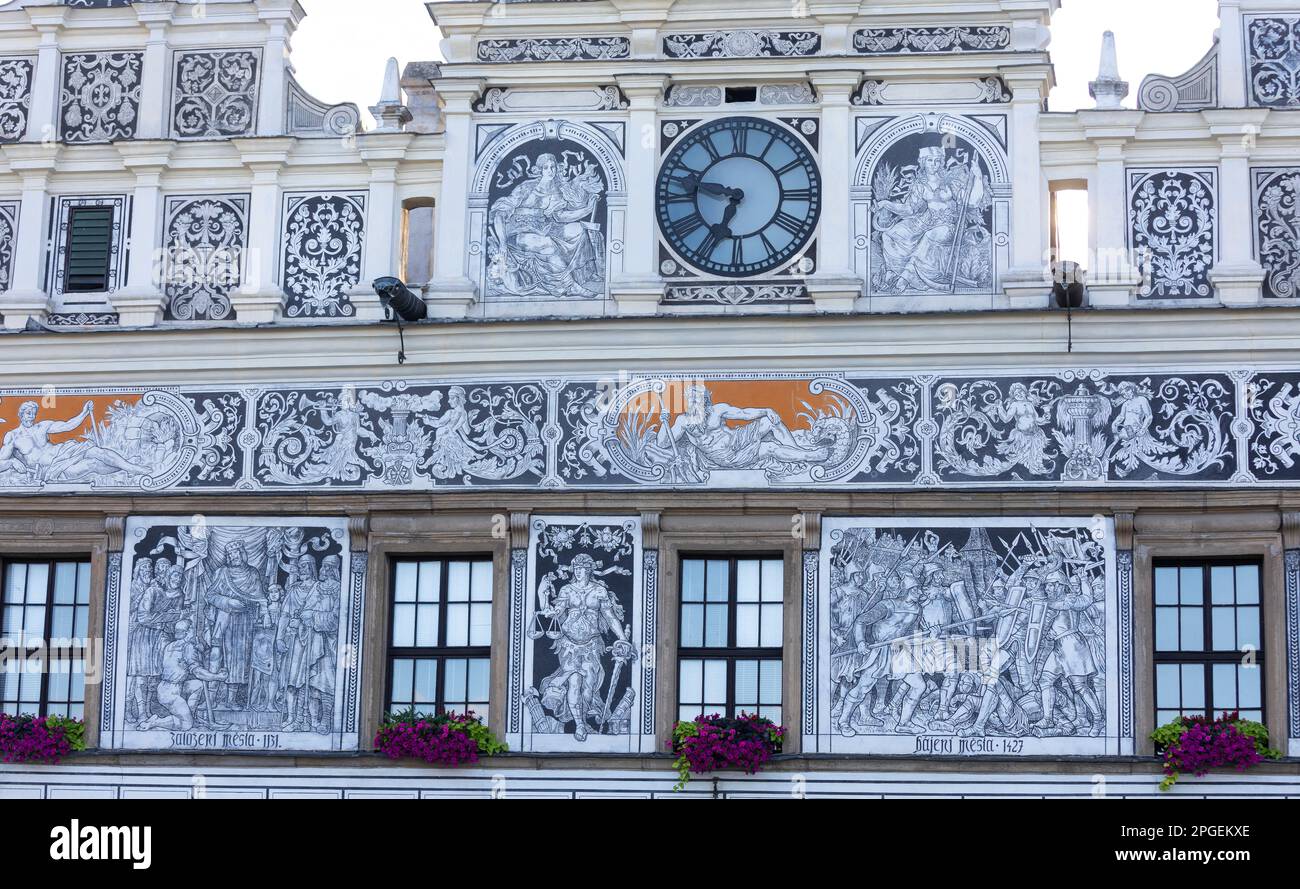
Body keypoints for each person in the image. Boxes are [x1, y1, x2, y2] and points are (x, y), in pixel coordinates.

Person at [535, 554, 633, 741]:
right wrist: (542, 596)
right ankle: (579, 724)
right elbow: (555, 613)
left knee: (589, 685)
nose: (579, 572)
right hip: (569, 644)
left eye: (582, 569)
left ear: (589, 570)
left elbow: (610, 617)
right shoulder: (567, 590)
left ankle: (583, 719)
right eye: (576, 569)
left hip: (592, 644)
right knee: (574, 682)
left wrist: (622, 638)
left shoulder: (599, 591)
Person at [487, 153, 606, 298]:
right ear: (540, 170)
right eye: (546, 167)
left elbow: (561, 216)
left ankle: (586, 273)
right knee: (547, 243)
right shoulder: (526, 187)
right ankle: (569, 286)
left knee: (579, 229)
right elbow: (500, 213)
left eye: (553, 167)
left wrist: (587, 209)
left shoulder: (558, 191)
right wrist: (503, 243)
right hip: (518, 232)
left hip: (544, 228)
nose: (550, 170)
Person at [874, 146, 987, 293]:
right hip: (925, 221)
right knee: (889, 234)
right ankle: (893, 272)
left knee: (929, 235)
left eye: (937, 161)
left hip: (947, 224)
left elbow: (972, 202)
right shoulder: (920, 185)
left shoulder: (950, 182)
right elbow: (909, 209)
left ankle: (905, 278)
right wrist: (886, 204)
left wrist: (978, 176)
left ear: (941, 163)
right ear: (923, 162)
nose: (933, 164)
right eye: (929, 161)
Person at [0, 400, 151, 483]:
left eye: (33, 414)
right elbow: (1, 462)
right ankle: (125, 466)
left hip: (64, 450)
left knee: (97, 451)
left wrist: (84, 412)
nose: (31, 417)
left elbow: (68, 425)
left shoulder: (43, 426)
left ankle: (130, 467)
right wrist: (13, 463)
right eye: (28, 414)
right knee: (92, 465)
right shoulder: (12, 436)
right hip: (52, 469)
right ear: (20, 415)